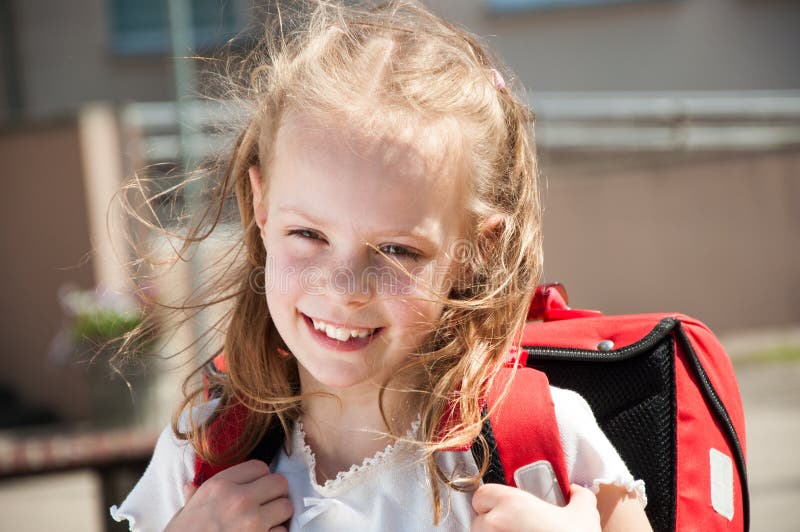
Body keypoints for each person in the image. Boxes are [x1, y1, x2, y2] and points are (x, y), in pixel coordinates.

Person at [110, 1, 652, 530]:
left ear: (477, 252)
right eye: (309, 234)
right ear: (261, 208)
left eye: (397, 250)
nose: (345, 287)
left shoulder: (546, 444)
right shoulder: (201, 455)